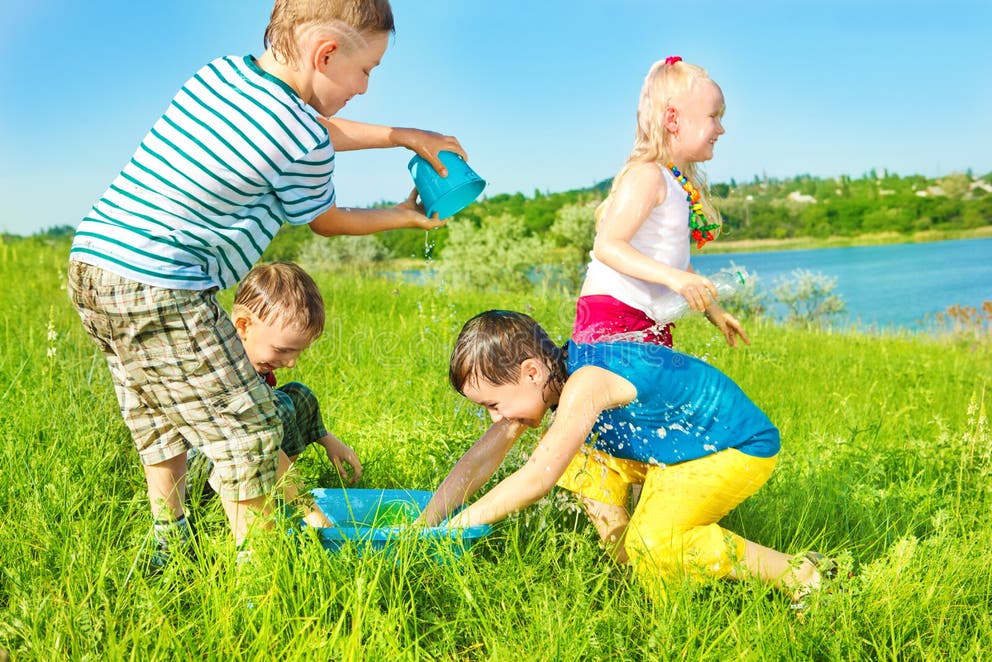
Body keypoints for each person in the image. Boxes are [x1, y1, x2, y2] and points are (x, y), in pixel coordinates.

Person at [67, 0, 465, 565]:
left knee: (156, 412)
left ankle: (168, 543)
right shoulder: (301, 140)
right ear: (325, 53)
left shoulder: (220, 74)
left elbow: (319, 128)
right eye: (366, 70)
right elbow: (326, 218)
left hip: (97, 263)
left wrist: (403, 136)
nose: (365, 87)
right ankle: (260, 580)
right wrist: (405, 216)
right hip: (164, 283)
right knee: (248, 430)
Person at [422, 310, 832, 606]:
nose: (495, 417)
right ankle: (631, 570)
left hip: (732, 448)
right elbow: (479, 460)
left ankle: (801, 575)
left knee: (656, 543)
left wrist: (456, 527)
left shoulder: (587, 382)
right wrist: (425, 524)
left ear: (530, 371)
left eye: (493, 404)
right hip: (680, 450)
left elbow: (537, 478)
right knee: (580, 461)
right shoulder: (550, 379)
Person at [574, 56, 748, 350]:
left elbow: (674, 261)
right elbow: (608, 245)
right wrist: (675, 279)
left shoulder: (675, 182)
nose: (721, 129)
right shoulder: (647, 175)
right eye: (713, 116)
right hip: (612, 317)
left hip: (645, 319)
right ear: (673, 120)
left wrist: (715, 311)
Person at [186, 262, 361, 530]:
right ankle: (260, 502)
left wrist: (328, 440)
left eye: (297, 353)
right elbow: (257, 436)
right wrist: (311, 513)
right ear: (243, 326)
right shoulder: (223, 370)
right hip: (199, 470)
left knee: (297, 397)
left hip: (249, 451)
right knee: (277, 408)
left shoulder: (252, 361)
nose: (290, 363)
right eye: (282, 350)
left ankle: (275, 491)